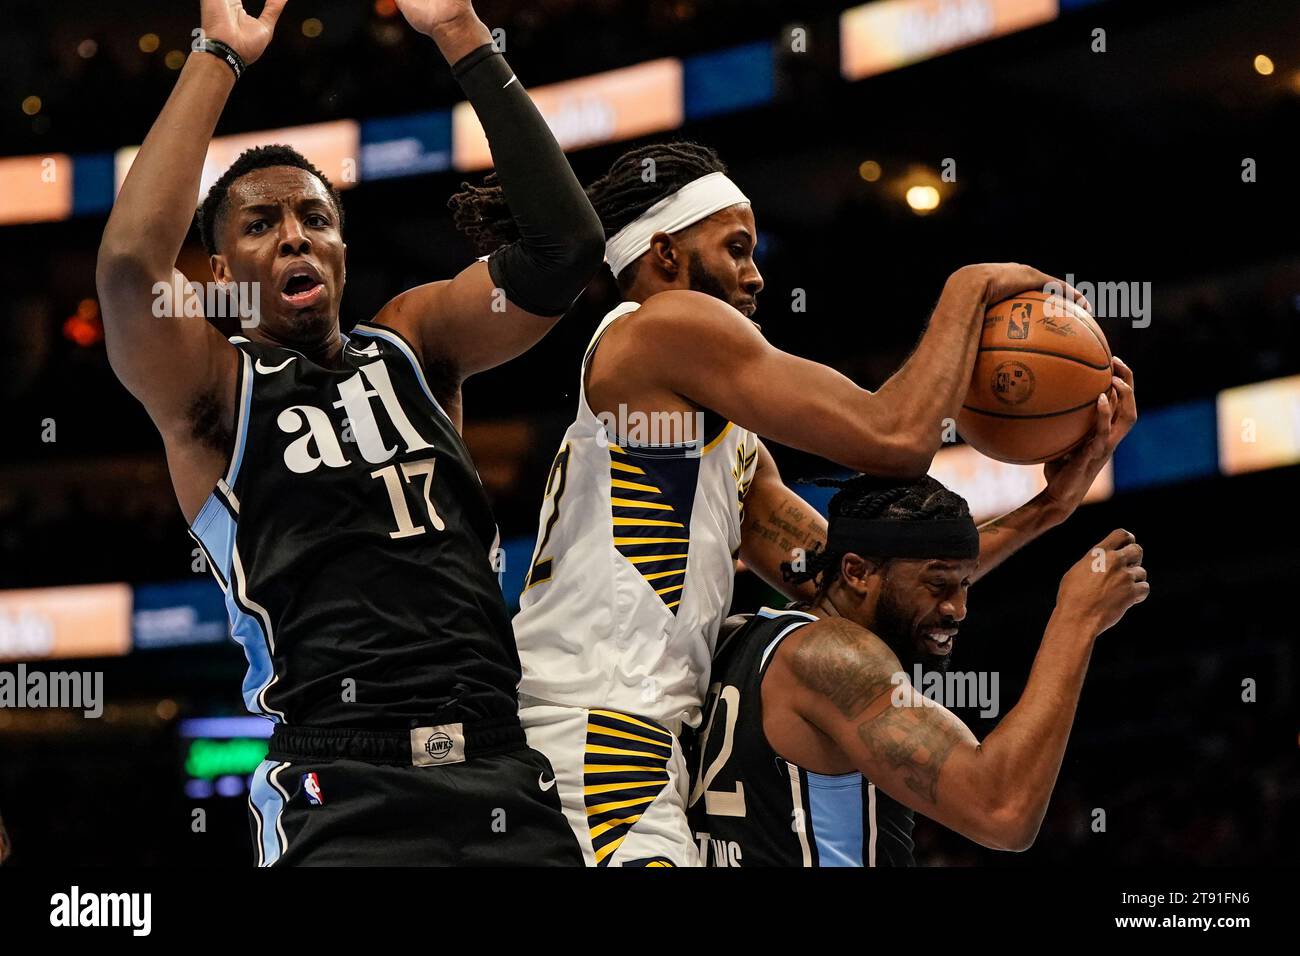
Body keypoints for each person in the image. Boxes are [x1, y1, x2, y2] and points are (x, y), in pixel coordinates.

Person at [450, 139, 1133, 865]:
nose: (757, 275)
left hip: (620, 740)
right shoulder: (662, 327)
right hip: (592, 738)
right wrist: (971, 286)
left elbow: (856, 582)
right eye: (737, 248)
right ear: (665, 254)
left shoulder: (723, 439)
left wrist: (1045, 509)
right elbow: (894, 439)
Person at [95, 0, 605, 864]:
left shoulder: (417, 341)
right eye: (261, 224)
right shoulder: (213, 391)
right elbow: (128, 268)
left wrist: (461, 36)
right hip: (340, 785)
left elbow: (566, 249)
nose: (295, 233)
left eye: (315, 218)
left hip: (499, 771)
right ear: (219, 272)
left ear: (340, 247)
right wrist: (219, 52)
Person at [688, 475, 1150, 866]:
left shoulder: (744, 638)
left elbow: (898, 576)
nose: (958, 609)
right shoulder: (834, 657)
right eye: (938, 583)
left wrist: (1047, 507)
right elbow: (1003, 810)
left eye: (965, 583)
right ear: (855, 572)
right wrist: (1077, 619)